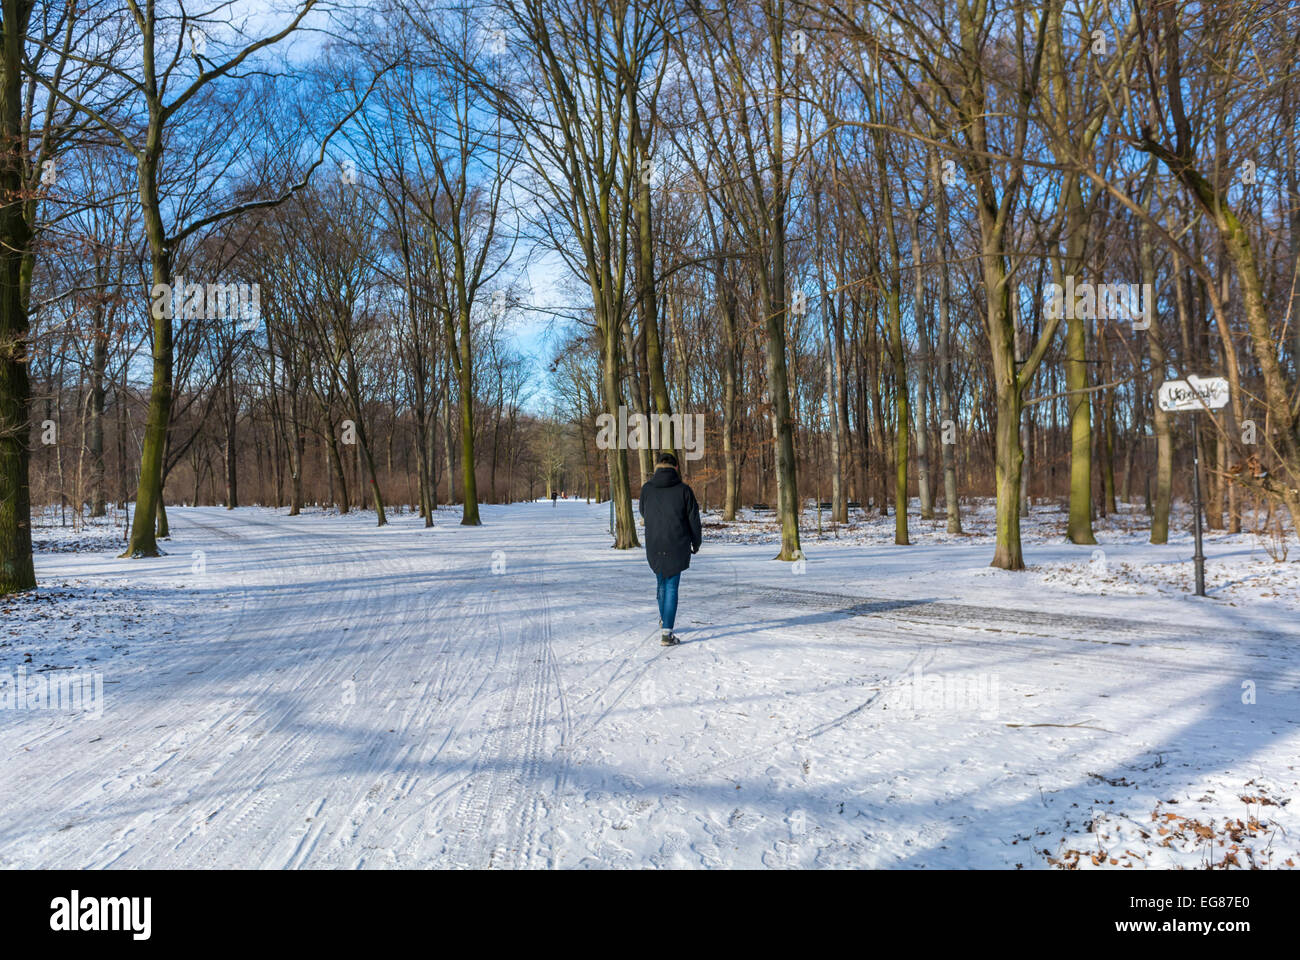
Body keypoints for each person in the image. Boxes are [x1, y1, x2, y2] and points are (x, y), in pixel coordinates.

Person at [638, 452, 702, 646]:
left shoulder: (647, 489)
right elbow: (694, 520)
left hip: (655, 542)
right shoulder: (684, 490)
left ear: (658, 466)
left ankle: (665, 620)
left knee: (661, 582)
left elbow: (643, 511)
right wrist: (696, 542)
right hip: (677, 543)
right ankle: (667, 633)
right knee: (672, 585)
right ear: (676, 468)